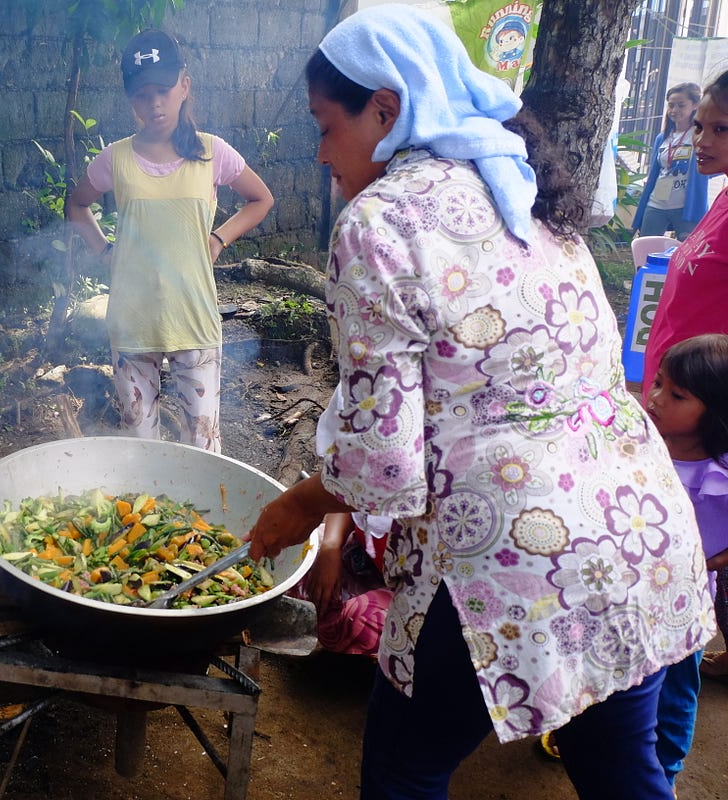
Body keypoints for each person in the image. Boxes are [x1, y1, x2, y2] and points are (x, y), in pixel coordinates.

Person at [245, 6, 714, 798]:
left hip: (507, 560)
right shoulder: (522, 183)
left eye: (327, 128)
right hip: (637, 539)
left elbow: (384, 470)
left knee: (405, 769)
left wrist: (302, 505)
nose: (322, 154)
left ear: (386, 112)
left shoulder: (380, 222)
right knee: (623, 778)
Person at [64, 29, 274, 453]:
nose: (154, 103)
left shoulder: (214, 153)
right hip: (131, 323)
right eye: (142, 95)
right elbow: (76, 205)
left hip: (192, 321)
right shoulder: (116, 158)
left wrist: (218, 238)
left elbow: (261, 199)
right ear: (131, 100)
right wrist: (105, 251)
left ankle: (200, 521)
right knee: (141, 448)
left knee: (202, 446)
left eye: (163, 90)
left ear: (184, 86)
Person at [646, 334, 728, 789]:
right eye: (658, 383)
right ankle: (600, 740)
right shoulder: (640, 446)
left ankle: (665, 772)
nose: (655, 398)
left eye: (676, 395)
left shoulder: (722, 470)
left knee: (675, 692)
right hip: (627, 594)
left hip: (686, 604)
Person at [641, 71, 728, 395]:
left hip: (701, 406)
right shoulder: (723, 197)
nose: (702, 141)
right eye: (699, 126)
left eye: (721, 129)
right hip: (670, 389)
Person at [289, 512, 392, 656]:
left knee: (360, 622)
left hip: (410, 592)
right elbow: (345, 498)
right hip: (361, 555)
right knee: (297, 549)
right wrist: (331, 546)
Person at [633, 82, 709, 241]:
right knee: (647, 248)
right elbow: (655, 173)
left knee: (688, 253)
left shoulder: (699, 135)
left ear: (695, 105)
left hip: (685, 207)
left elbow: (712, 165)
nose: (674, 110)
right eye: (671, 105)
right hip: (656, 203)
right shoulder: (662, 137)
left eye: (681, 105)